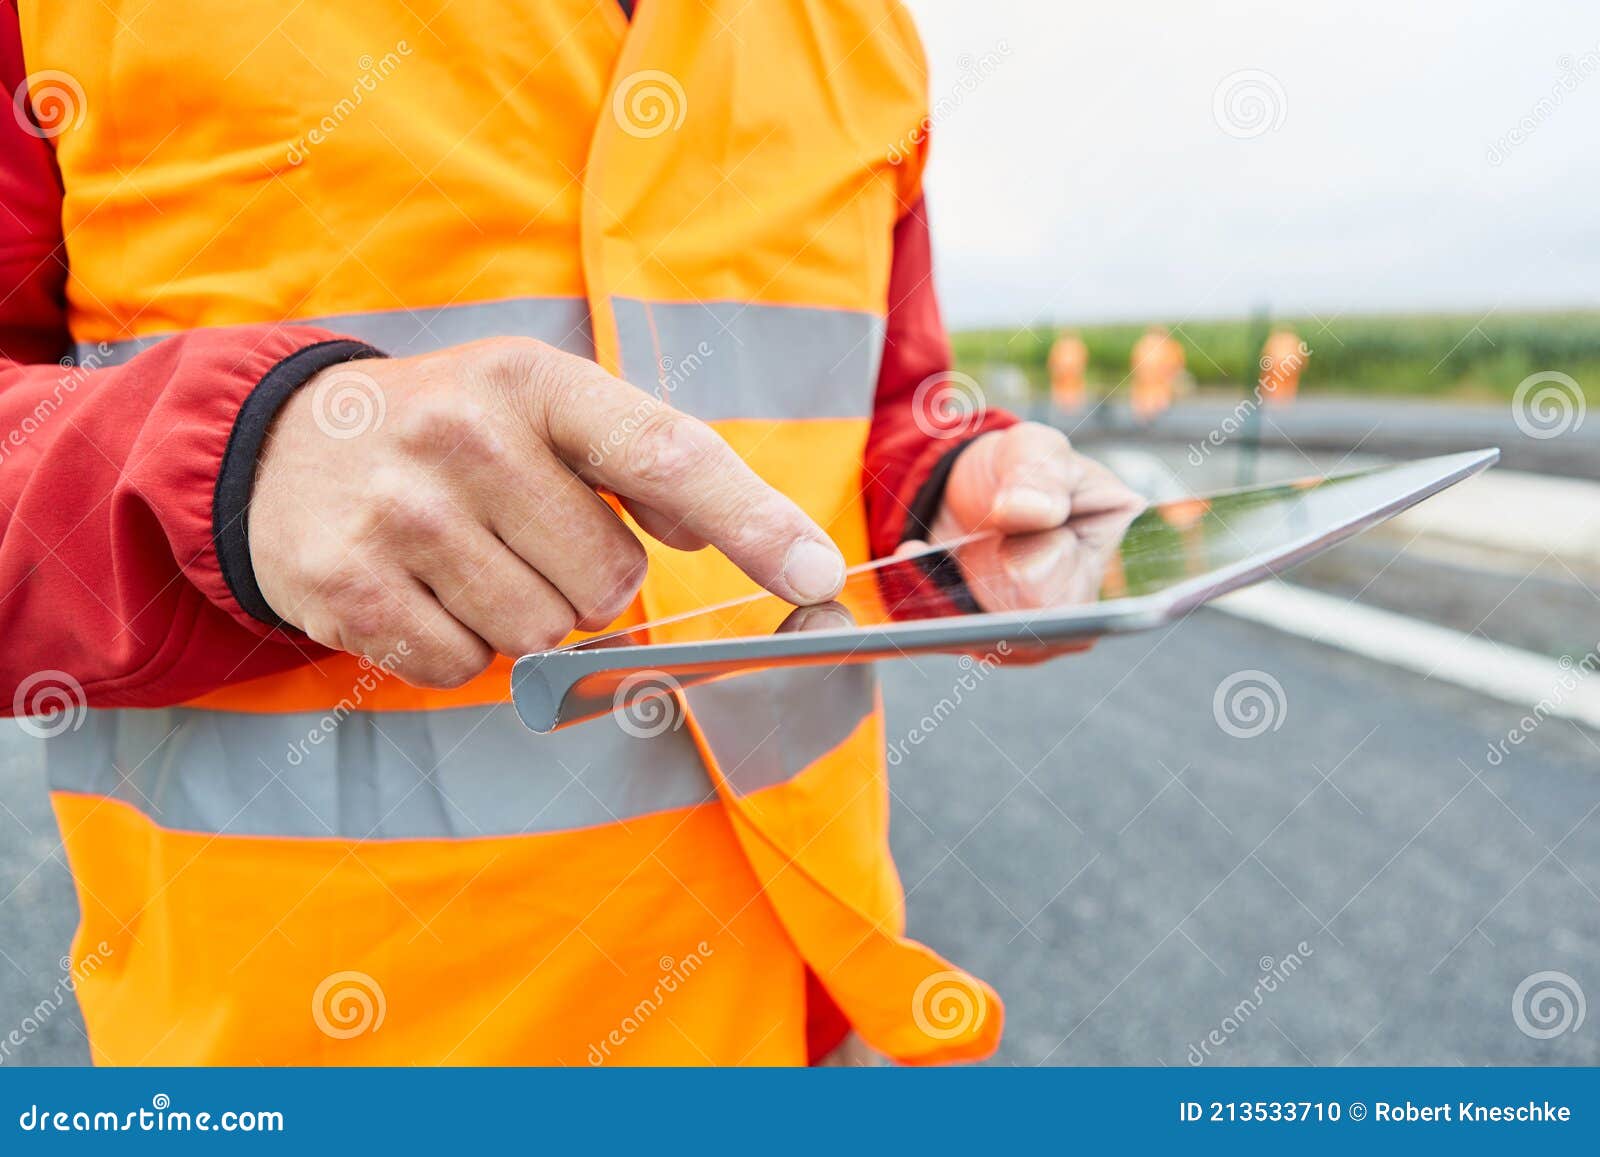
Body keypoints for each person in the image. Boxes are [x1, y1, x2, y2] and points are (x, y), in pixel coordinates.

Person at [0, 0, 1135, 1065]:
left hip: (786, 1014)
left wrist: (940, 496)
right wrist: (233, 466)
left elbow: (867, 397)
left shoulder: (854, 27)